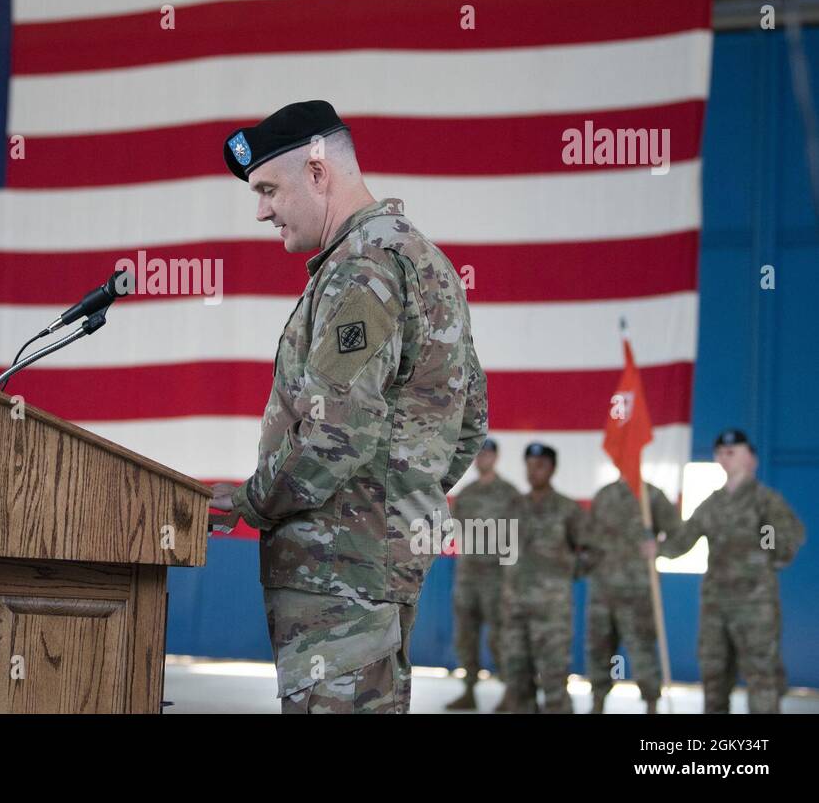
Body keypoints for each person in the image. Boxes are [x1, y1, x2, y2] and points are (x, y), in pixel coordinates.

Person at [210, 100, 487, 713]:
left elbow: (334, 432)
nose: (261, 210)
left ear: (316, 169)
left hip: (339, 578)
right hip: (377, 572)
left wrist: (253, 499)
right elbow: (468, 422)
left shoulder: (361, 268)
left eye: (267, 189)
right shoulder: (423, 259)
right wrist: (403, 501)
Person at [653, 429, 805, 713]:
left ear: (751, 458)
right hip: (716, 606)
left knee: (762, 678)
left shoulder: (765, 500)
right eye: (720, 453)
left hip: (754, 606)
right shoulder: (712, 504)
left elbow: (787, 540)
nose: (725, 457)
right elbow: (683, 541)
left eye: (732, 452)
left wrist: (767, 540)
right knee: (714, 679)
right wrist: (656, 549)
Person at [498, 443, 586, 713]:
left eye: (540, 465)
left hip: (552, 612)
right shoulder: (513, 506)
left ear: (552, 469)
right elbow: (503, 552)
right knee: (517, 678)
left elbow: (592, 551)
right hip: (516, 609)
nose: (533, 471)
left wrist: (562, 574)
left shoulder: (568, 509)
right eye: (529, 465)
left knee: (553, 678)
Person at [584, 476, 680, 713]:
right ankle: (597, 702)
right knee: (598, 650)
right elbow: (588, 538)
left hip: (638, 593)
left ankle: (651, 704)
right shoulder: (603, 495)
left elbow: (680, 535)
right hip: (602, 591)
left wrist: (660, 549)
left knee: (642, 651)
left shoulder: (652, 496)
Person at [445, 438, 519, 710]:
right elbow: (456, 531)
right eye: (478, 455)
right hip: (467, 575)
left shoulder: (510, 494)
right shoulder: (466, 494)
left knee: (500, 636)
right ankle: (468, 690)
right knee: (465, 635)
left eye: (486, 454)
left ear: (495, 458)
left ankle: (511, 692)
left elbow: (519, 538)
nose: (481, 459)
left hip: (497, 577)